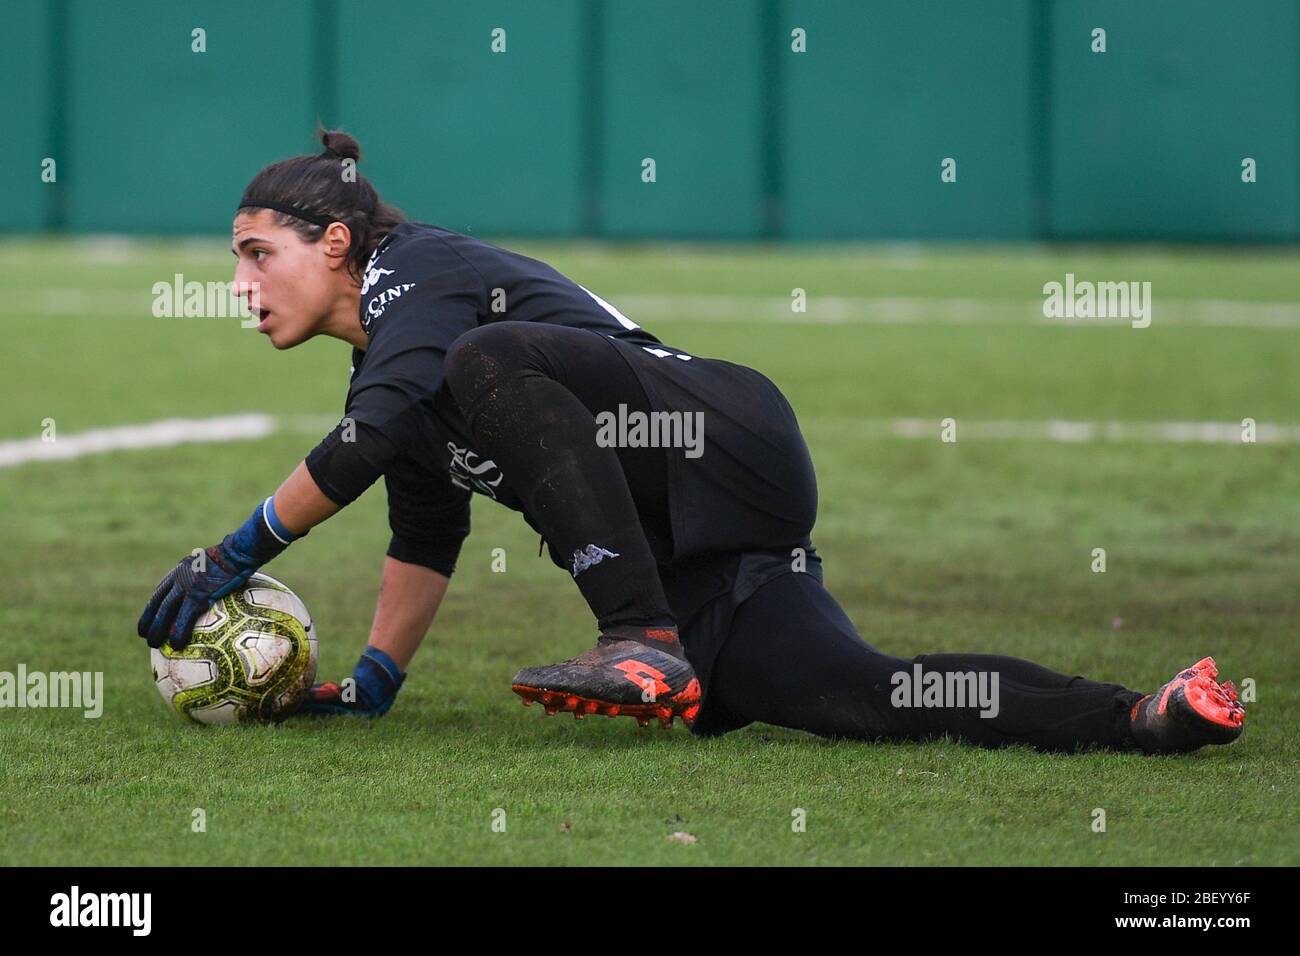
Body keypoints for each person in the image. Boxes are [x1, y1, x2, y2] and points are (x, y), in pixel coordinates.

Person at [137, 129, 1246, 755]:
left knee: (487, 365)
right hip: (710, 545)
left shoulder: (413, 272)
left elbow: (367, 437)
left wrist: (230, 555)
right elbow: (424, 521)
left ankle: (638, 634)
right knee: (866, 696)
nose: (239, 285)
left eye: (254, 253)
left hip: (724, 431)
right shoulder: (391, 363)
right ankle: (1144, 712)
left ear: (334, 242)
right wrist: (376, 677)